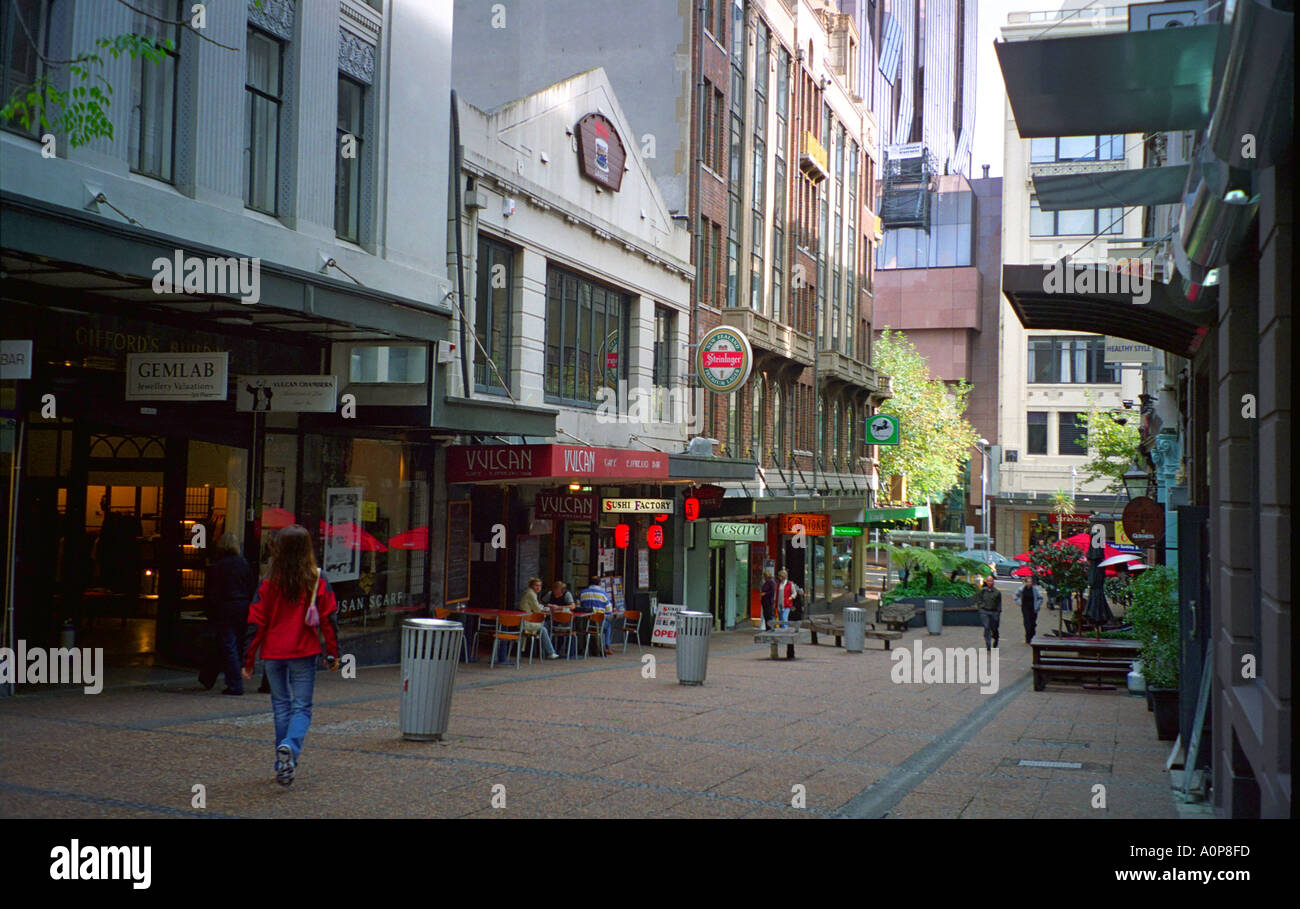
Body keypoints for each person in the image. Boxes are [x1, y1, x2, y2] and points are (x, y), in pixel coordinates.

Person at [241, 525, 339, 786]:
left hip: (273, 651)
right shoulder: (317, 578)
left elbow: (256, 621)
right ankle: (290, 749)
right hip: (303, 650)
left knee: (281, 706)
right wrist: (333, 652)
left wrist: (248, 659)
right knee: (302, 707)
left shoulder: (268, 580)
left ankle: (282, 763)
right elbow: (329, 618)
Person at [199, 533, 257, 694]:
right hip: (242, 606)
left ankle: (233, 683)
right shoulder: (243, 564)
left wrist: (210, 611)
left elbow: (211, 592)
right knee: (233, 644)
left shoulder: (217, 566)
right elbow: (251, 587)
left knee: (227, 644)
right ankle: (223, 679)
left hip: (225, 607)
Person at [517, 577, 561, 660]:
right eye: (536, 585)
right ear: (531, 586)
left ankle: (545, 651)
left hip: (527, 619)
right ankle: (549, 652)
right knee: (544, 628)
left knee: (545, 626)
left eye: (540, 586)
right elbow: (537, 609)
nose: (538, 588)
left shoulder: (529, 592)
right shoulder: (531, 594)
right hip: (526, 622)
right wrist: (544, 610)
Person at [578, 580, 615, 655]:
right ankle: (606, 646)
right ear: (599, 584)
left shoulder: (582, 593)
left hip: (585, 622)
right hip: (599, 622)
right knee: (608, 626)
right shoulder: (603, 594)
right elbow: (609, 610)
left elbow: (578, 607)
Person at [975, 573, 1002, 651]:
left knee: (994, 628)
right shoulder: (983, 591)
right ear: (986, 582)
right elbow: (979, 600)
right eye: (988, 581)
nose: (990, 582)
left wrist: (998, 613)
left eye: (991, 581)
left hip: (994, 612)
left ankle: (996, 638)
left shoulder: (997, 592)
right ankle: (988, 643)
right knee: (987, 627)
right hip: (984, 611)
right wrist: (980, 608)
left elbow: (999, 604)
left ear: (993, 582)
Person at [1018, 574, 1044, 645]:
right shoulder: (1022, 589)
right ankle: (1027, 637)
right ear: (1025, 582)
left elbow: (1041, 598)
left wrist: (1038, 605)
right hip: (1025, 608)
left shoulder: (1035, 590)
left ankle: (1032, 634)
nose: (1029, 583)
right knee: (1027, 623)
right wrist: (1019, 602)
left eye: (1030, 582)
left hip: (1033, 608)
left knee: (1032, 623)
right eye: (1028, 582)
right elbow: (1016, 596)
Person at [759, 567, 777, 631]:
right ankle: (767, 629)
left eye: (764, 576)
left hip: (769, 602)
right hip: (765, 602)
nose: (764, 578)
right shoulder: (766, 582)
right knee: (766, 616)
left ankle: (770, 629)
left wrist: (765, 594)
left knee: (769, 616)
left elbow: (772, 591)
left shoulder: (771, 582)